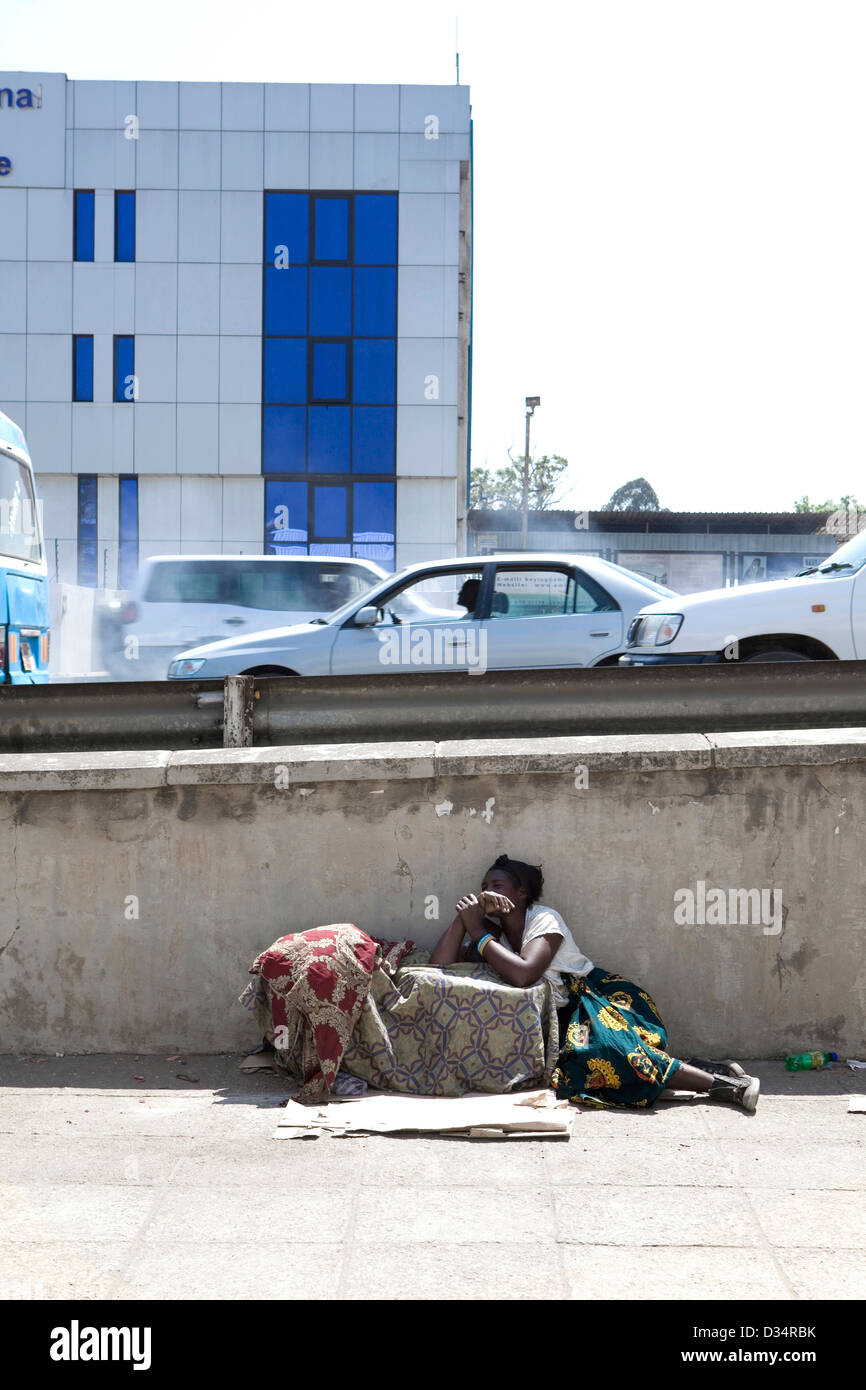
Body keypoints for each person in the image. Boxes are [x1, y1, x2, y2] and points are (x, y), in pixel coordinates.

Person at [430, 853, 760, 1111]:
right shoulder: (494, 933)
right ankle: (704, 1069)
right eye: (484, 885)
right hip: (557, 1020)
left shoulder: (544, 919)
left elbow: (524, 973)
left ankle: (721, 1085)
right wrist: (465, 917)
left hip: (591, 1001)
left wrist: (477, 931)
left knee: (613, 1051)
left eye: (498, 885)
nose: (488, 890)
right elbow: (438, 965)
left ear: (522, 892)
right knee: (594, 1069)